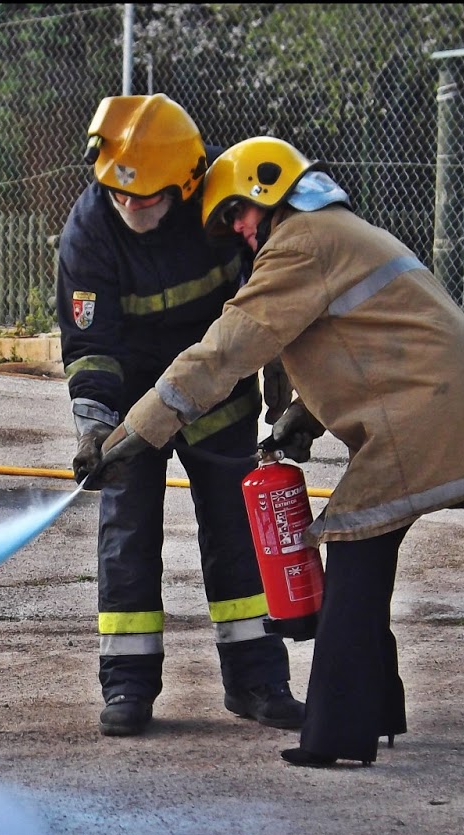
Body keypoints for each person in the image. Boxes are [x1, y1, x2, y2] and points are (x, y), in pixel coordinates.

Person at [89, 135, 464, 767]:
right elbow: (370, 342)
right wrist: (304, 414)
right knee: (365, 556)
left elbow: (227, 350)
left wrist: (136, 432)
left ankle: (337, 736)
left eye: (237, 212)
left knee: (353, 552)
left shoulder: (301, 243)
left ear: (268, 190)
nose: (238, 230)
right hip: (439, 409)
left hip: (425, 422)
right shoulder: (335, 233)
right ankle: (374, 712)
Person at [58, 94, 303, 738]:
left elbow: (268, 296)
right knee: (127, 538)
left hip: (218, 396)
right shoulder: (90, 230)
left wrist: (284, 374)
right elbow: (91, 345)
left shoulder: (222, 210)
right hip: (132, 412)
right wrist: (94, 427)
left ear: (187, 183)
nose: (131, 206)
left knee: (236, 532)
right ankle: (129, 687)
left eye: (147, 197)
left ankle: (257, 682)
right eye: (119, 194)